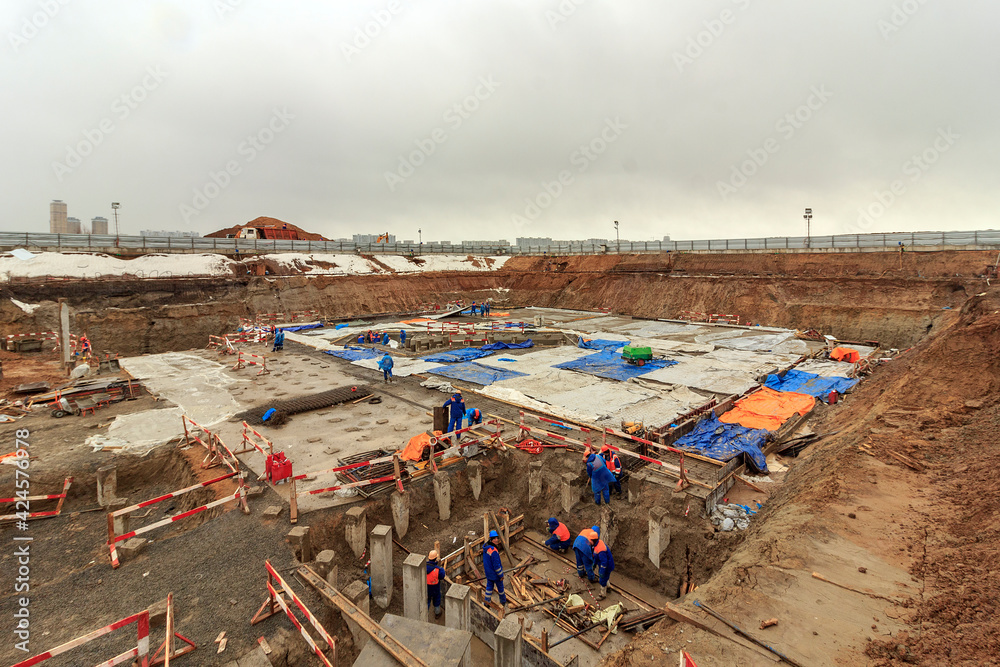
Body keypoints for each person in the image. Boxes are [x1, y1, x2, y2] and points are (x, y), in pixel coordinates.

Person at [483, 530, 507, 608]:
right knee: (500, 588)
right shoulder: (493, 551)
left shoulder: (486, 548)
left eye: (497, 538)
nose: (496, 540)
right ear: (491, 539)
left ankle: (486, 603)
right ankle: (503, 602)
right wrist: (501, 575)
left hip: (488, 573)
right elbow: (496, 566)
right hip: (495, 575)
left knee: (489, 588)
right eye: (494, 538)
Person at [592, 536, 615, 600]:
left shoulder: (601, 549)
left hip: (607, 566)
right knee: (605, 577)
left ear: (593, 540)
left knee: (602, 579)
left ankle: (602, 595)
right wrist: (594, 563)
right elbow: (596, 556)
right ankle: (608, 587)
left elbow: (604, 562)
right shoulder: (597, 544)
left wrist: (602, 571)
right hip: (606, 565)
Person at [426, 549, 446, 618]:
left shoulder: (424, 567)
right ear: (435, 559)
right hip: (435, 588)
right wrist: (442, 569)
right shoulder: (438, 570)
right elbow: (442, 576)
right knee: (436, 600)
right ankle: (437, 613)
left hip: (426, 588)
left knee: (427, 601)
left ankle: (425, 615)